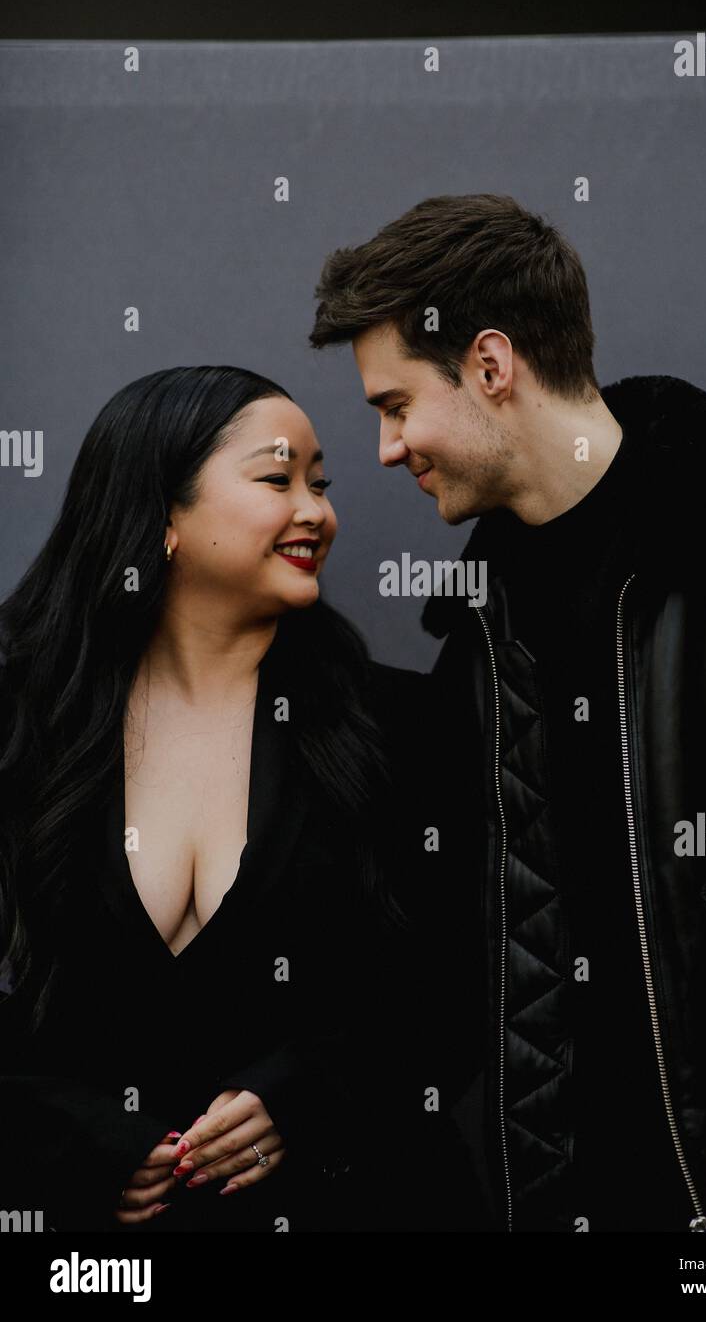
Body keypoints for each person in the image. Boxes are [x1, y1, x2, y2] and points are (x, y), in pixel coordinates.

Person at [307, 192, 706, 1233]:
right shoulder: (477, 640)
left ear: (488, 365)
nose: (386, 449)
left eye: (392, 406)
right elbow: (452, 969)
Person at [0, 364, 486, 1232]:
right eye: (277, 479)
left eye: (320, 484)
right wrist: (74, 1136)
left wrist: (307, 1095)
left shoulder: (399, 725)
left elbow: (466, 986)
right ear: (164, 518)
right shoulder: (24, 726)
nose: (316, 511)